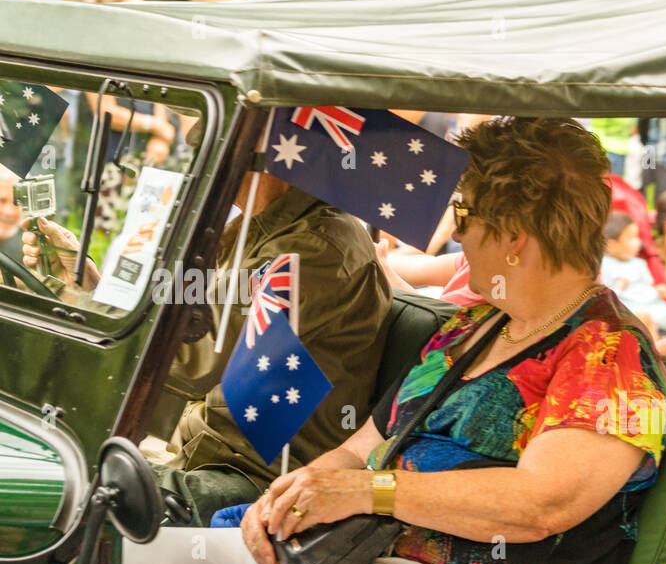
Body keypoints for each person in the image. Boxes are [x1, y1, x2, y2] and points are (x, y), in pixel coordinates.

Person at [114, 117, 666, 564]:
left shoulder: (611, 355)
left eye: (463, 210)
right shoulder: (475, 329)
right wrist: (303, 490)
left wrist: (369, 493)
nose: (454, 229)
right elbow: (367, 443)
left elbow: (541, 503)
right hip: (375, 552)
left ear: (516, 238)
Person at [24, 173, 392, 525]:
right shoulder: (268, 229)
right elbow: (187, 332)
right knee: (42, 463)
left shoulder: (313, 246)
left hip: (256, 477)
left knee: (51, 492)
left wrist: (75, 301)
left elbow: (194, 356)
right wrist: (90, 289)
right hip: (202, 446)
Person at [602, 210, 666, 333]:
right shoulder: (605, 264)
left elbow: (648, 286)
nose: (638, 242)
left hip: (658, 308)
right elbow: (607, 296)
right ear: (611, 245)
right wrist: (619, 285)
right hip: (634, 313)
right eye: (631, 238)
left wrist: (659, 290)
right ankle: (656, 351)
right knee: (645, 319)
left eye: (637, 236)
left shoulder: (639, 263)